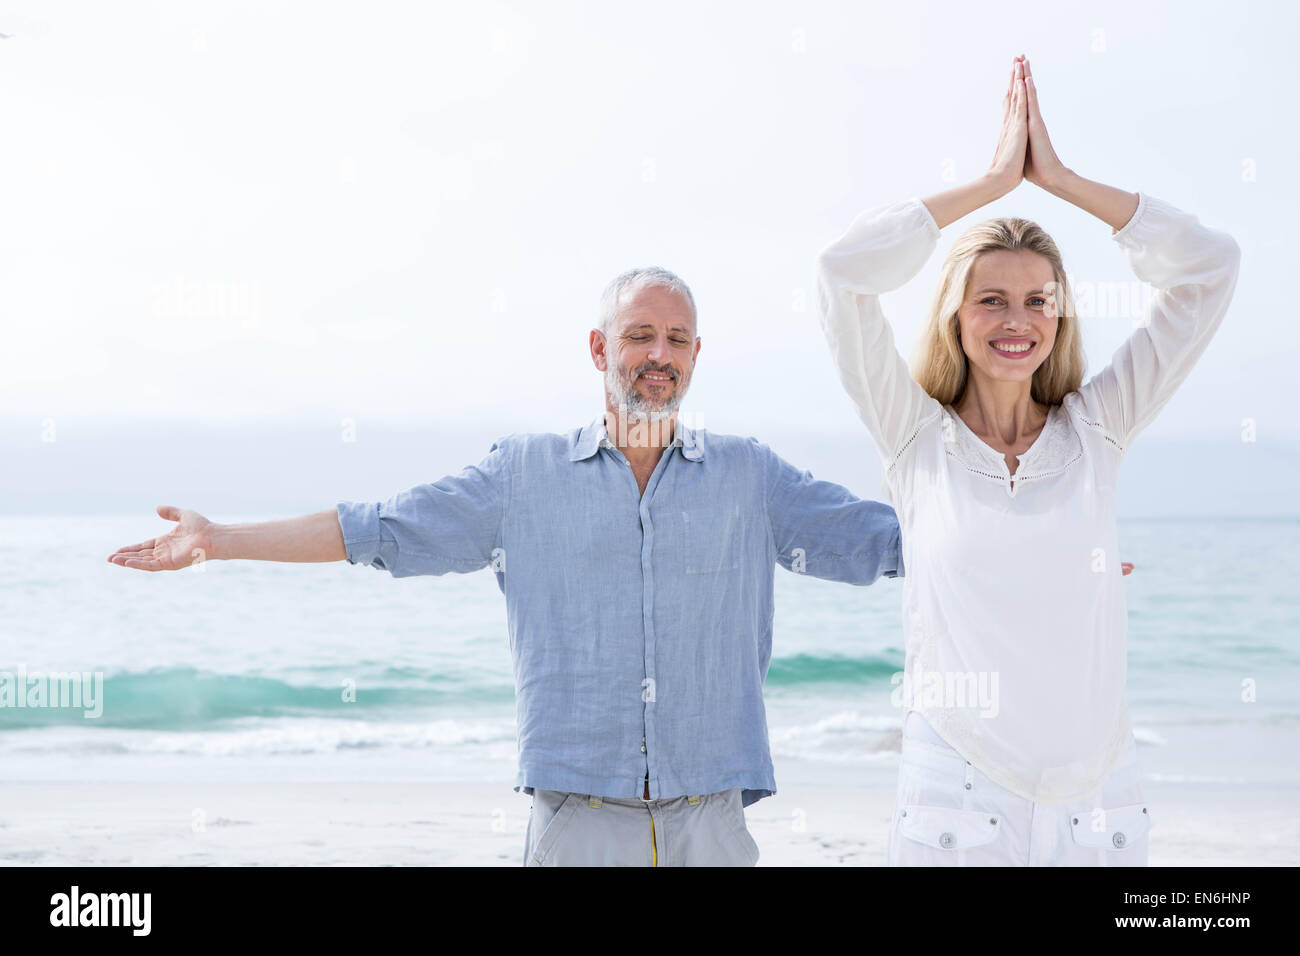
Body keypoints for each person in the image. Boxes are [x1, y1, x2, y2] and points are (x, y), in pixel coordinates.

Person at [108, 266, 906, 866]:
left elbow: (890, 541)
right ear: (600, 348)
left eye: (675, 339)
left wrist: (1019, 511)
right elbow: (378, 528)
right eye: (638, 335)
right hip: (576, 821)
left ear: (696, 354)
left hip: (714, 821)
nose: (657, 355)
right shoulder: (521, 477)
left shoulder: (750, 476)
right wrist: (221, 538)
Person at [814, 55, 1240, 866]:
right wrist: (992, 182)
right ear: (956, 315)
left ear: (1061, 314)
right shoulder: (913, 436)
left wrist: (1061, 179)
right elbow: (840, 273)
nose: (1019, 320)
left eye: (1038, 300)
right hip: (957, 797)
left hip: (1099, 801)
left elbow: (1212, 267)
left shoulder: (1098, 429)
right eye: (991, 298)